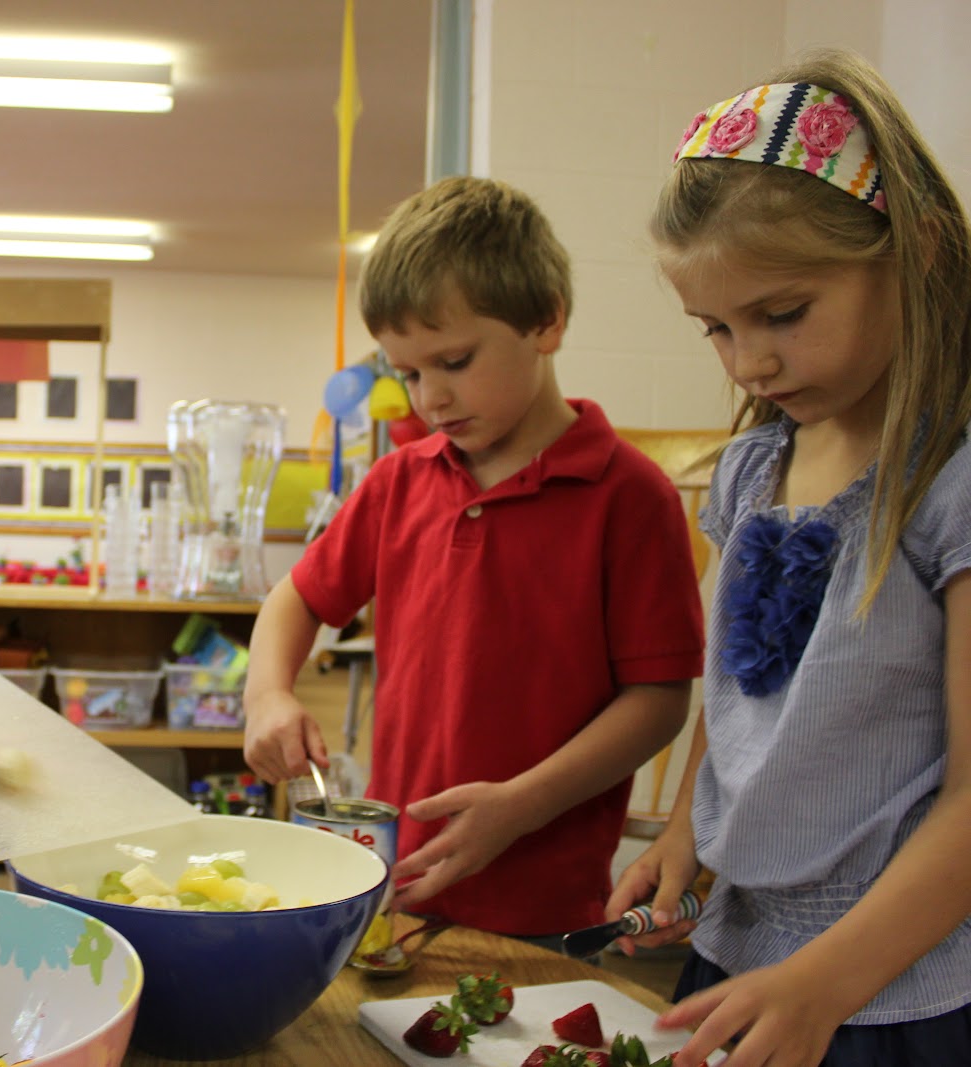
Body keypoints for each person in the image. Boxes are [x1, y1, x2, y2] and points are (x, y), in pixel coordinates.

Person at [608, 49, 971, 1067]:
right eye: (714, 328)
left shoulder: (950, 483)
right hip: (741, 959)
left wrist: (825, 980)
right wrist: (686, 834)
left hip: (892, 987)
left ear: (923, 253)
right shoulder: (750, 470)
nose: (748, 362)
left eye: (782, 313)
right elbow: (738, 701)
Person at [243, 175, 706, 942]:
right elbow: (294, 599)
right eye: (409, 372)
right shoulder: (399, 481)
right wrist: (267, 694)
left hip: (539, 904)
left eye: (454, 360)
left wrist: (523, 803)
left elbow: (658, 701)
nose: (430, 398)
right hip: (391, 886)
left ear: (546, 322)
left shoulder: (631, 496)